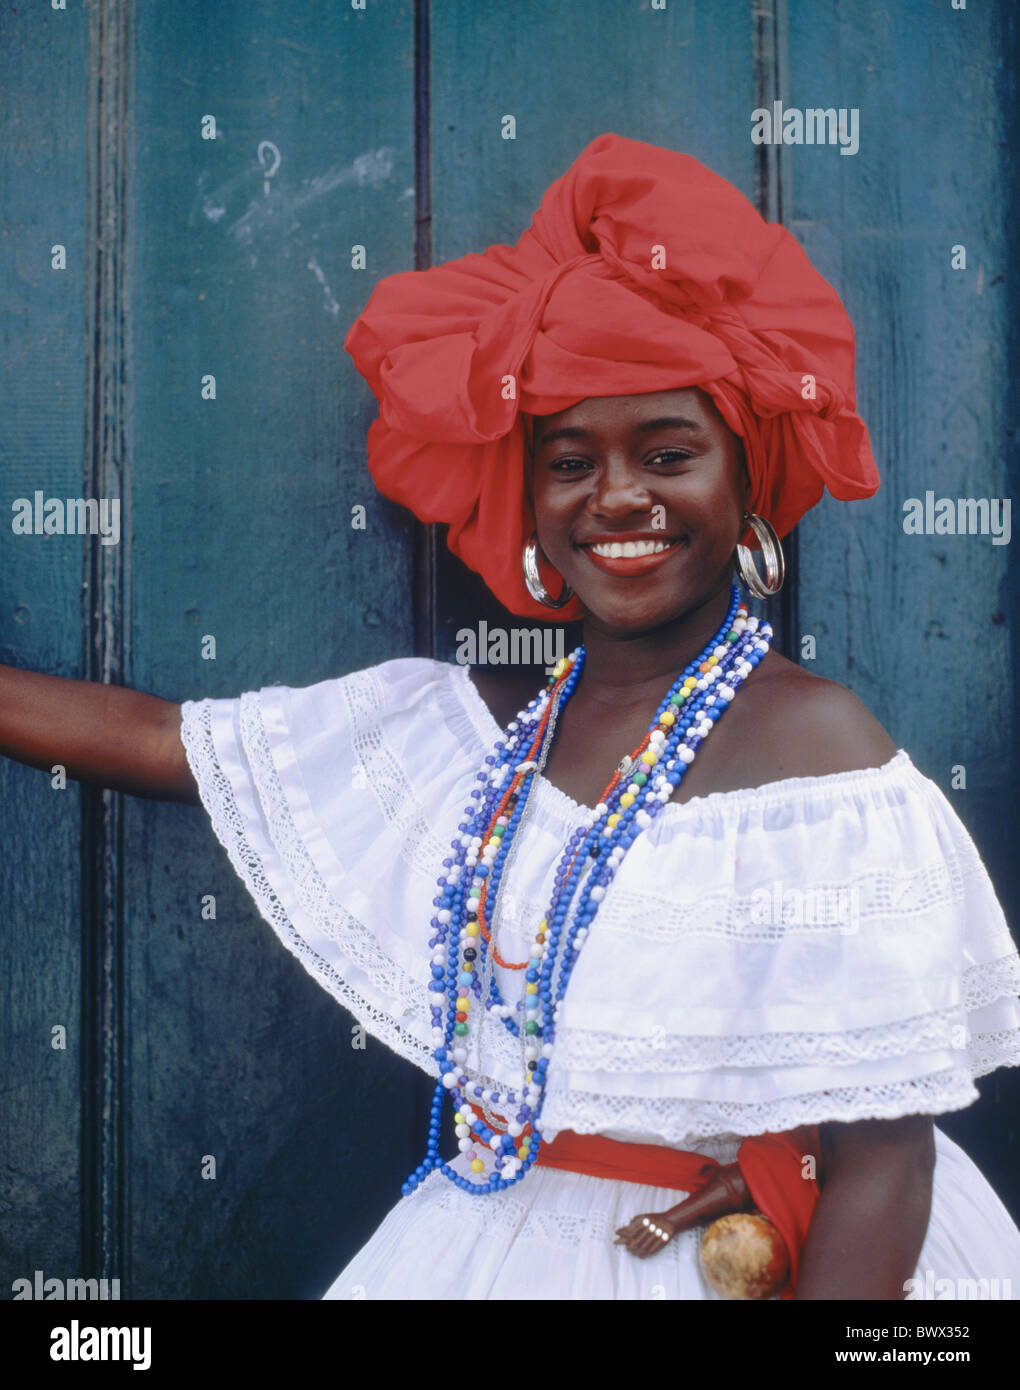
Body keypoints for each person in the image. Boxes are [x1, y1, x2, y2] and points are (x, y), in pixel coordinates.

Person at [2, 133, 1019, 1300]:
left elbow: (885, 1161)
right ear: (525, 505)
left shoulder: (819, 756)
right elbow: (160, 741)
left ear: (746, 484)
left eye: (670, 452)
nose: (619, 495)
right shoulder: (482, 740)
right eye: (570, 460)